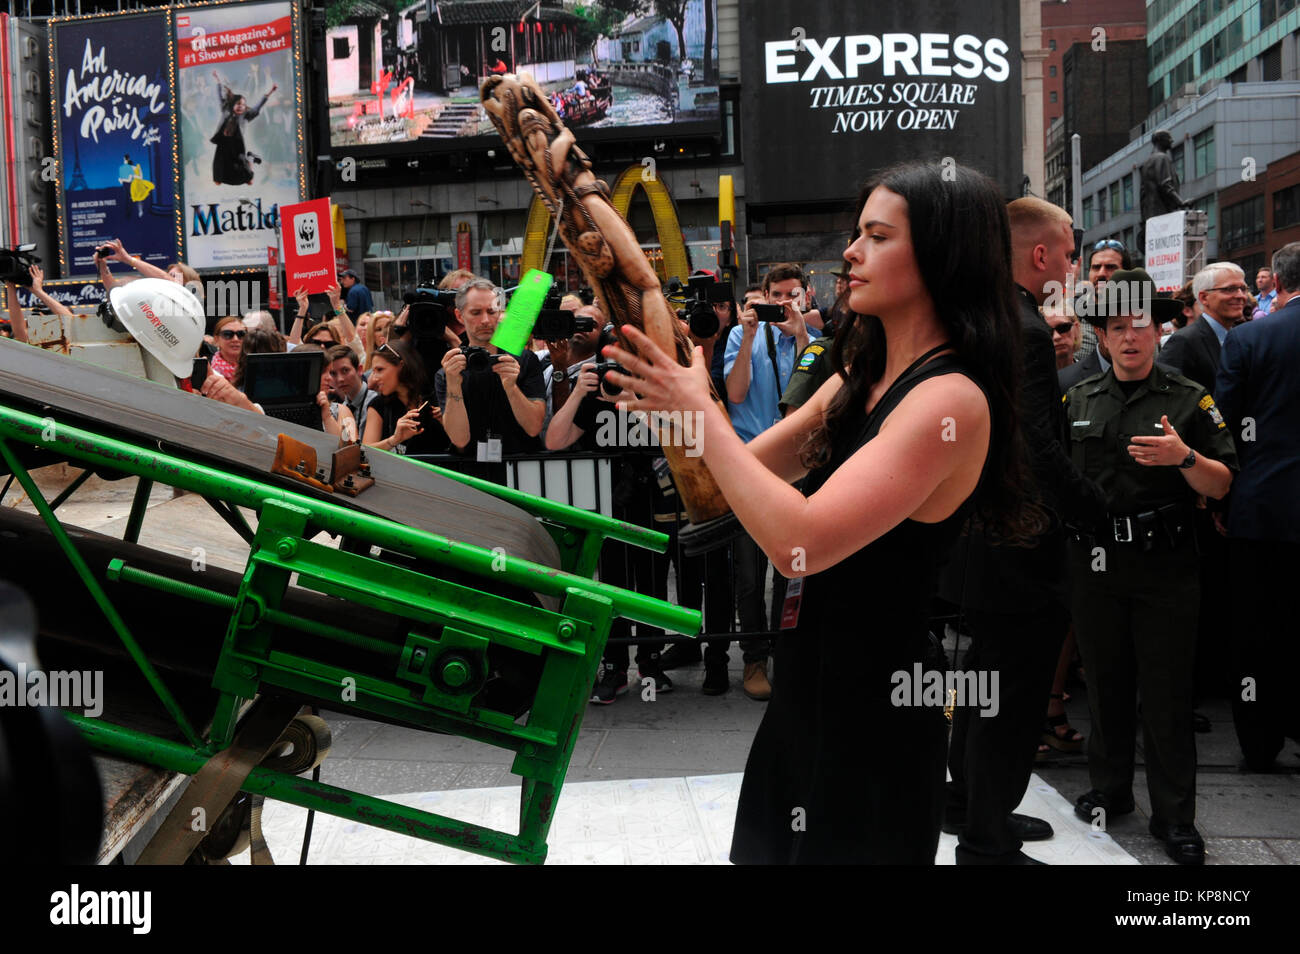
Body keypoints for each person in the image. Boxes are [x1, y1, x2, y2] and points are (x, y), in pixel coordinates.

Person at [602, 160, 1033, 864]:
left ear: (942, 253)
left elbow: (799, 544)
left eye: (877, 236)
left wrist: (701, 417)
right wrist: (668, 397)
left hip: (876, 709)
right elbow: (733, 478)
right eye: (856, 234)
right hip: (806, 686)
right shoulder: (858, 373)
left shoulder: (949, 398)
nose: (851, 254)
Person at [939, 198, 1105, 865]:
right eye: (1067, 251)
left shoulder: (980, 312)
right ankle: (986, 840)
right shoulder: (1026, 327)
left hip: (977, 544)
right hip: (1019, 551)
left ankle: (968, 808)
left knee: (981, 686)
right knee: (1009, 707)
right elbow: (1036, 443)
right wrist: (1095, 508)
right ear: (1041, 255)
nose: (1071, 262)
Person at [1065, 268, 1238, 866]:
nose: (1131, 336)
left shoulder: (1190, 398)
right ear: (1104, 339)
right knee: (1107, 689)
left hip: (1166, 567)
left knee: (1165, 696)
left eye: (1141, 324)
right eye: (1118, 328)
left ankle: (1175, 816)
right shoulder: (1078, 400)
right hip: (1097, 566)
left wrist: (1183, 456)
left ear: (1159, 331)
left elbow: (1221, 484)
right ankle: (1109, 790)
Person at [1214, 242, 1300, 771]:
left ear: (1280, 283)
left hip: (1262, 509)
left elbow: (1224, 426)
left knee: (1256, 630)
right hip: (1264, 507)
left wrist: (1221, 497)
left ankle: (1259, 740)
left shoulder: (1249, 338)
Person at [724, 264, 812, 701]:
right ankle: (755, 656)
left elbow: (809, 394)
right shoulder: (743, 336)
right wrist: (751, 339)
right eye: (776, 294)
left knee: (790, 568)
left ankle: (785, 652)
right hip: (749, 465)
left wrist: (798, 337)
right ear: (762, 295)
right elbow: (736, 394)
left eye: (792, 295)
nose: (784, 303)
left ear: (806, 297)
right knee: (748, 573)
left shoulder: (814, 343)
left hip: (795, 469)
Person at [435, 278, 546, 477]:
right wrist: (453, 384)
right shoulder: (450, 369)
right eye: (476, 313)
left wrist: (512, 388)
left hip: (522, 472)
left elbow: (533, 427)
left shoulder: (525, 360)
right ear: (460, 316)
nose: (485, 320)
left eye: (491, 311)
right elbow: (459, 439)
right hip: (473, 475)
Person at [1160, 262, 1250, 394]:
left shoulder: (1242, 338)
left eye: (1243, 289)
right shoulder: (1184, 341)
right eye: (1229, 289)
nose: (1240, 295)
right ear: (1203, 297)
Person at [363, 339, 447, 454]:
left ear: (401, 365)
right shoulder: (378, 405)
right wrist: (395, 439)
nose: (375, 378)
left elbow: (463, 445)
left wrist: (447, 424)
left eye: (380, 370)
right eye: (374, 371)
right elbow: (365, 452)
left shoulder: (437, 397)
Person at [211, 72, 276, 186]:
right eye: (238, 104)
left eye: (243, 104)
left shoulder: (246, 116)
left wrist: (269, 93)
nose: (241, 106)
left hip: (237, 144)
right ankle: (219, 178)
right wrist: (218, 81)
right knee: (219, 166)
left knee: (243, 169)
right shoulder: (226, 110)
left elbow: (258, 106)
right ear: (232, 105)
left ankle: (249, 167)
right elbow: (219, 96)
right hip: (224, 143)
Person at [291, 342, 359, 442]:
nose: (329, 378)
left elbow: (349, 450)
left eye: (330, 372)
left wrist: (327, 416)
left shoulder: (341, 411)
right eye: (323, 372)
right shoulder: (283, 411)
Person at [325, 343, 378, 426]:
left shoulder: (375, 402)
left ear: (359, 370)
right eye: (333, 373)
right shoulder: (339, 409)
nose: (340, 379)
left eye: (345, 370)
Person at [209, 316, 246, 381]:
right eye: (227, 334)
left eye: (241, 334)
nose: (235, 339)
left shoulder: (256, 368)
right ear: (216, 340)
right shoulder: (209, 373)